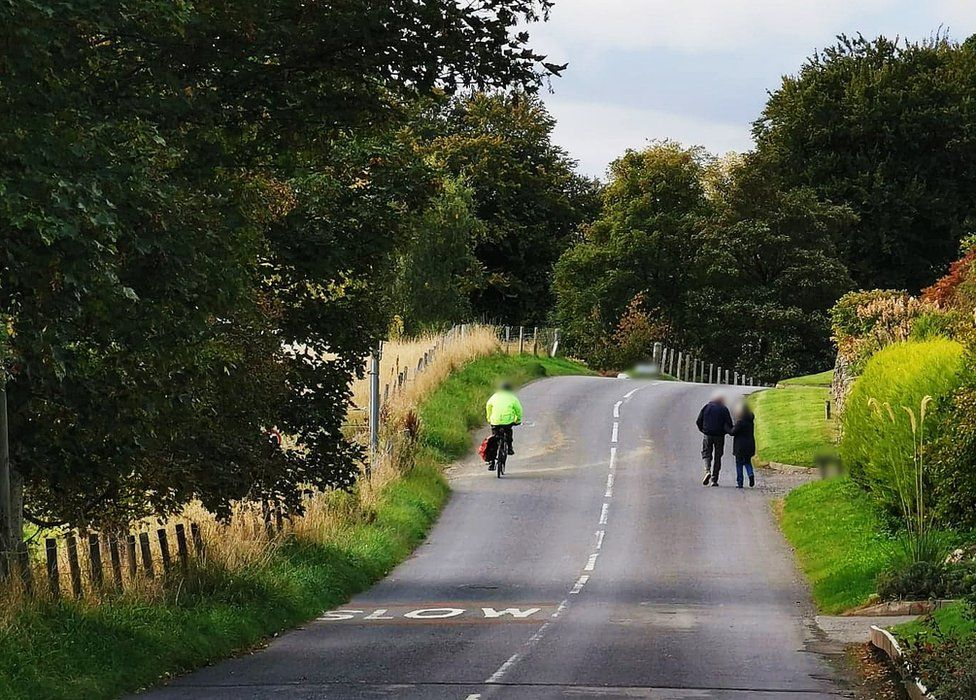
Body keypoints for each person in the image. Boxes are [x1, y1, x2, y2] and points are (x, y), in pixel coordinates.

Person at [696, 392, 732, 486]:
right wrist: (726, 431)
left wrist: (703, 430)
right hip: (719, 436)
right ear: (721, 400)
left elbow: (698, 421)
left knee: (706, 453)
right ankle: (714, 479)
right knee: (718, 457)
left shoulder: (706, 407)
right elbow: (729, 424)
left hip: (708, 434)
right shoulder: (724, 409)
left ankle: (707, 470)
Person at [485, 381, 523, 471]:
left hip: (495, 421)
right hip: (507, 421)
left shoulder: (494, 396)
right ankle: (509, 448)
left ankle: (492, 463)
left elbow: (488, 406)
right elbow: (518, 409)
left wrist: (489, 418)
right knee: (508, 432)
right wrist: (518, 420)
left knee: (494, 439)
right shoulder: (512, 397)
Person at [730, 402, 756, 488]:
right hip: (750, 445)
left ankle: (740, 482)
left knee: (739, 463)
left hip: (740, 446)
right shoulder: (750, 422)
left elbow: (732, 432)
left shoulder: (740, 423)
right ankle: (750, 474)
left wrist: (726, 427)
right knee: (747, 462)